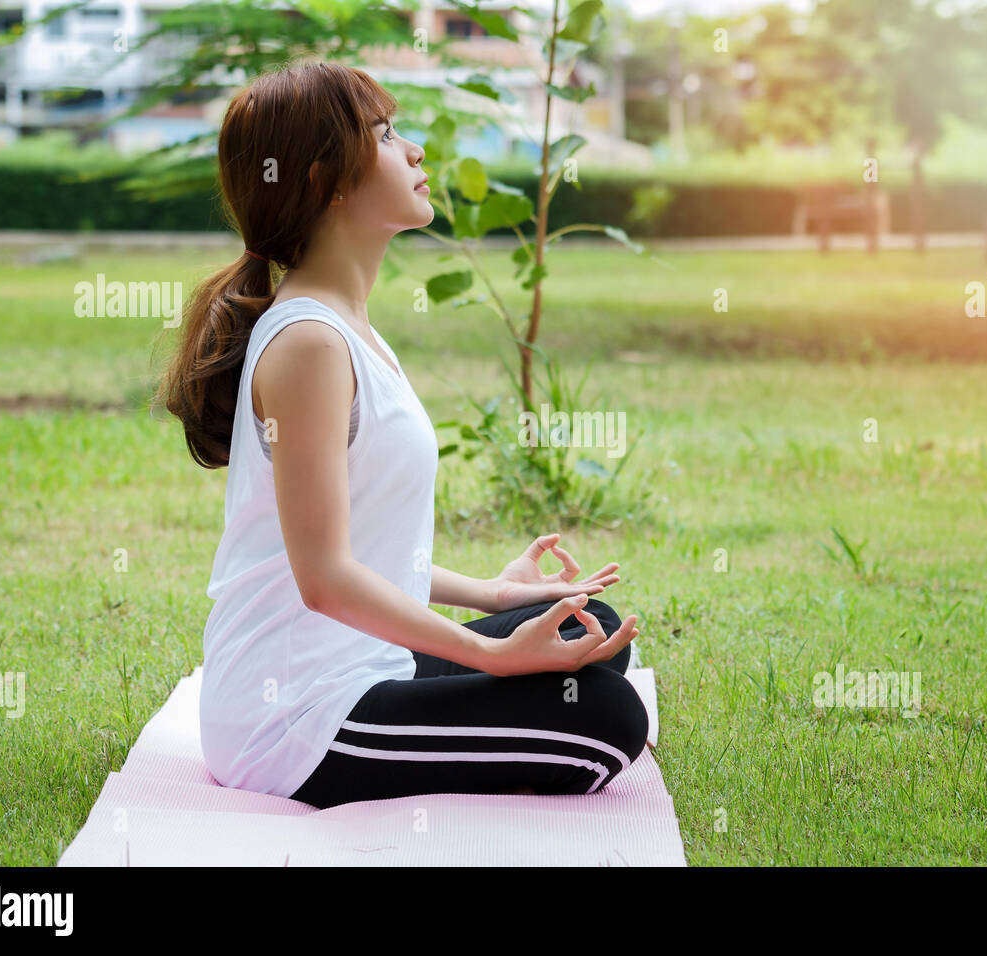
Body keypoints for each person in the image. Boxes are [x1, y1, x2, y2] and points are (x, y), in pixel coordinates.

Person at [155, 58, 648, 809]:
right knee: (607, 721)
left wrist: (489, 594)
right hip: (294, 715)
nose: (414, 150)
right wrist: (490, 652)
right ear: (326, 180)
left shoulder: (346, 328)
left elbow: (363, 550)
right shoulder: (309, 345)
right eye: (385, 134)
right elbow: (323, 578)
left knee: (593, 629)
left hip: (362, 660)